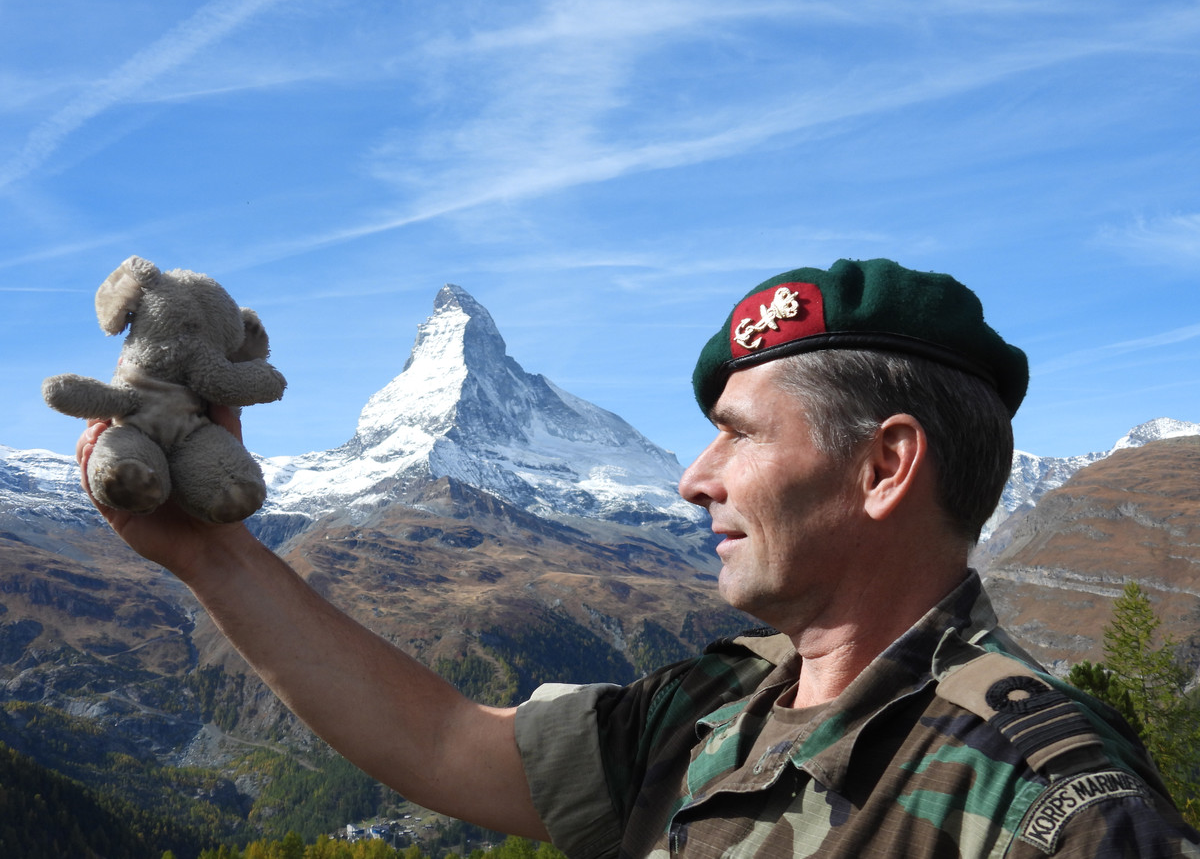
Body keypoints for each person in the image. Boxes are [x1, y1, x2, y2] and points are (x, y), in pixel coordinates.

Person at [77, 257, 1199, 857]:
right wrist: (210, 557)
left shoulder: (1058, 808)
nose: (692, 477)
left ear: (883, 468)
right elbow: (441, 741)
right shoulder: (712, 712)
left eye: (741, 434)